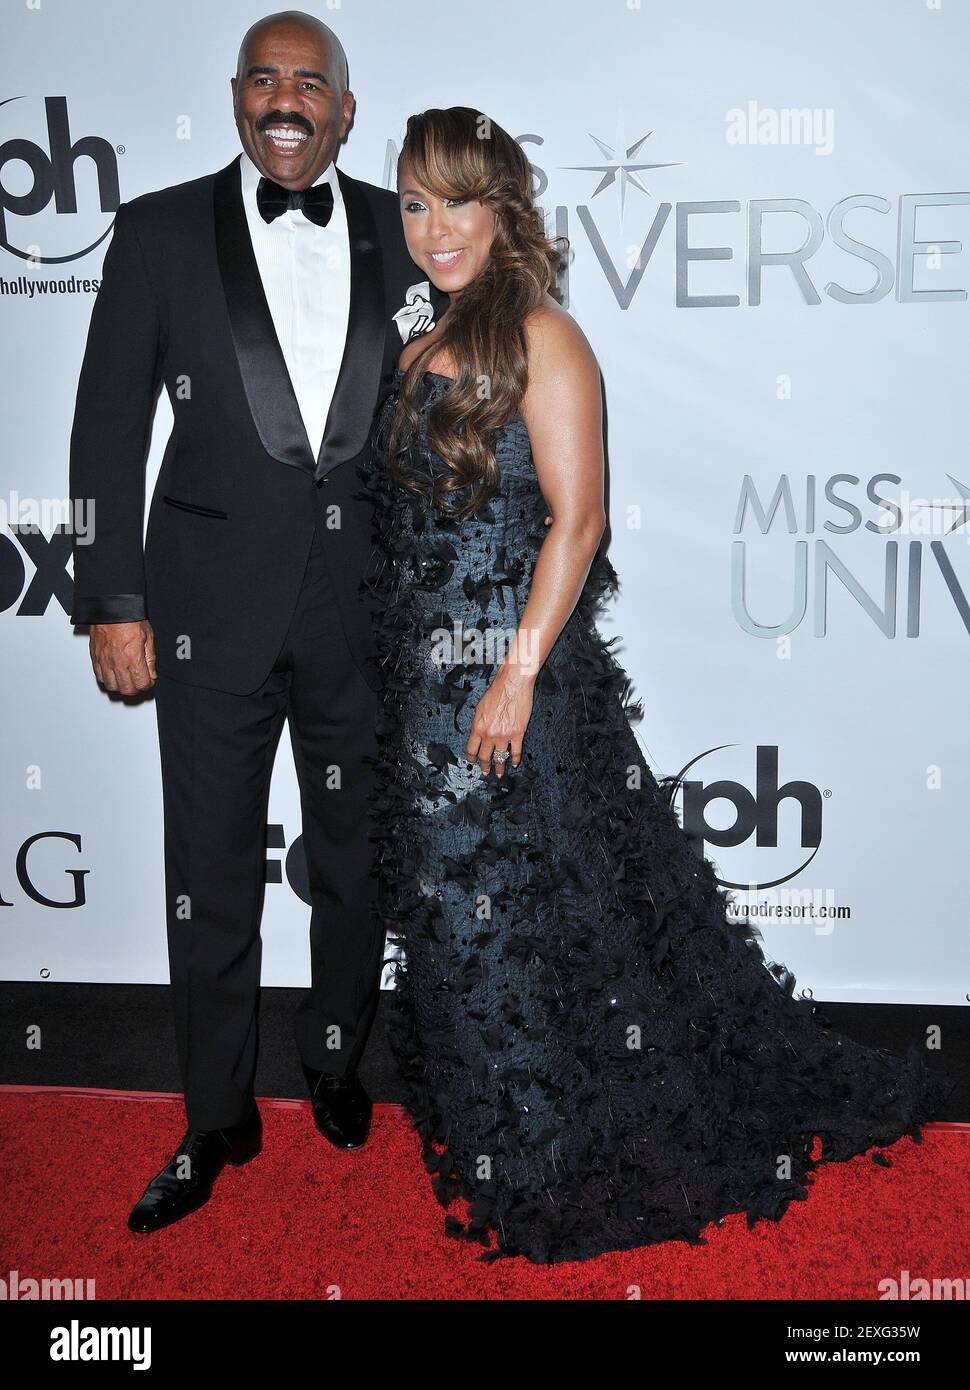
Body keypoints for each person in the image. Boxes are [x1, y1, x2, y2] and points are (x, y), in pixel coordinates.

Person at [358, 106, 957, 1264]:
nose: (435, 228)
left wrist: (517, 674)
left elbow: (578, 525)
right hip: (423, 681)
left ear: (504, 210)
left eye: (458, 202)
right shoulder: (417, 336)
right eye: (416, 203)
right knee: (451, 917)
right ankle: (499, 1128)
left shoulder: (543, 336)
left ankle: (547, 1149)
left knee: (532, 914)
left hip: (509, 677)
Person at [68, 11, 446, 1235]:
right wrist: (112, 600)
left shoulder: (409, 236)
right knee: (210, 872)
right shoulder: (159, 230)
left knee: (351, 862)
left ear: (345, 107)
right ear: (238, 96)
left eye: (311, 84)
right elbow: (104, 429)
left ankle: (334, 1060)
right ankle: (213, 1113)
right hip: (205, 618)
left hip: (361, 615)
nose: (287, 100)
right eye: (265, 79)